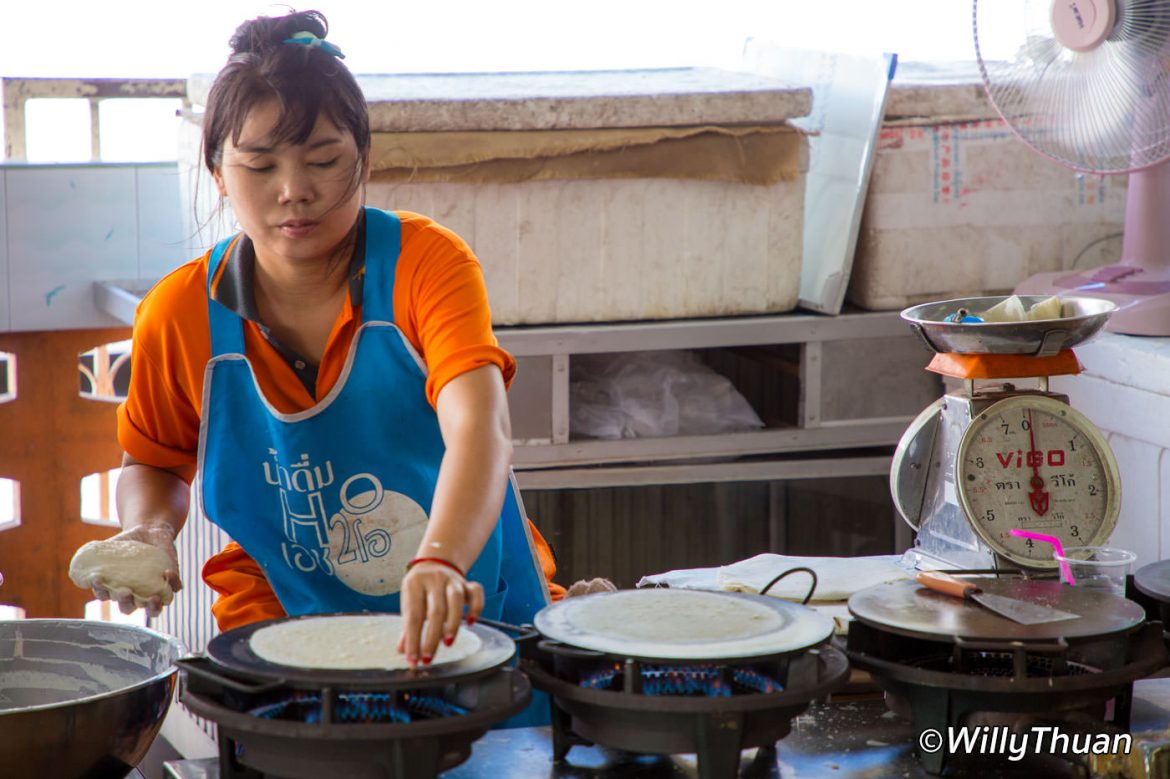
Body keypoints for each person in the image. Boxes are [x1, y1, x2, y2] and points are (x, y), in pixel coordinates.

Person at [76, 9, 585, 671]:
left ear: (364, 158)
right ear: (217, 171)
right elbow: (153, 459)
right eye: (260, 166)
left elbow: (479, 429)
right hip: (282, 631)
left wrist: (440, 558)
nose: (295, 191)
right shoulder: (180, 313)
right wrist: (148, 533)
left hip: (476, 612)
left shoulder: (427, 265)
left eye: (323, 160)